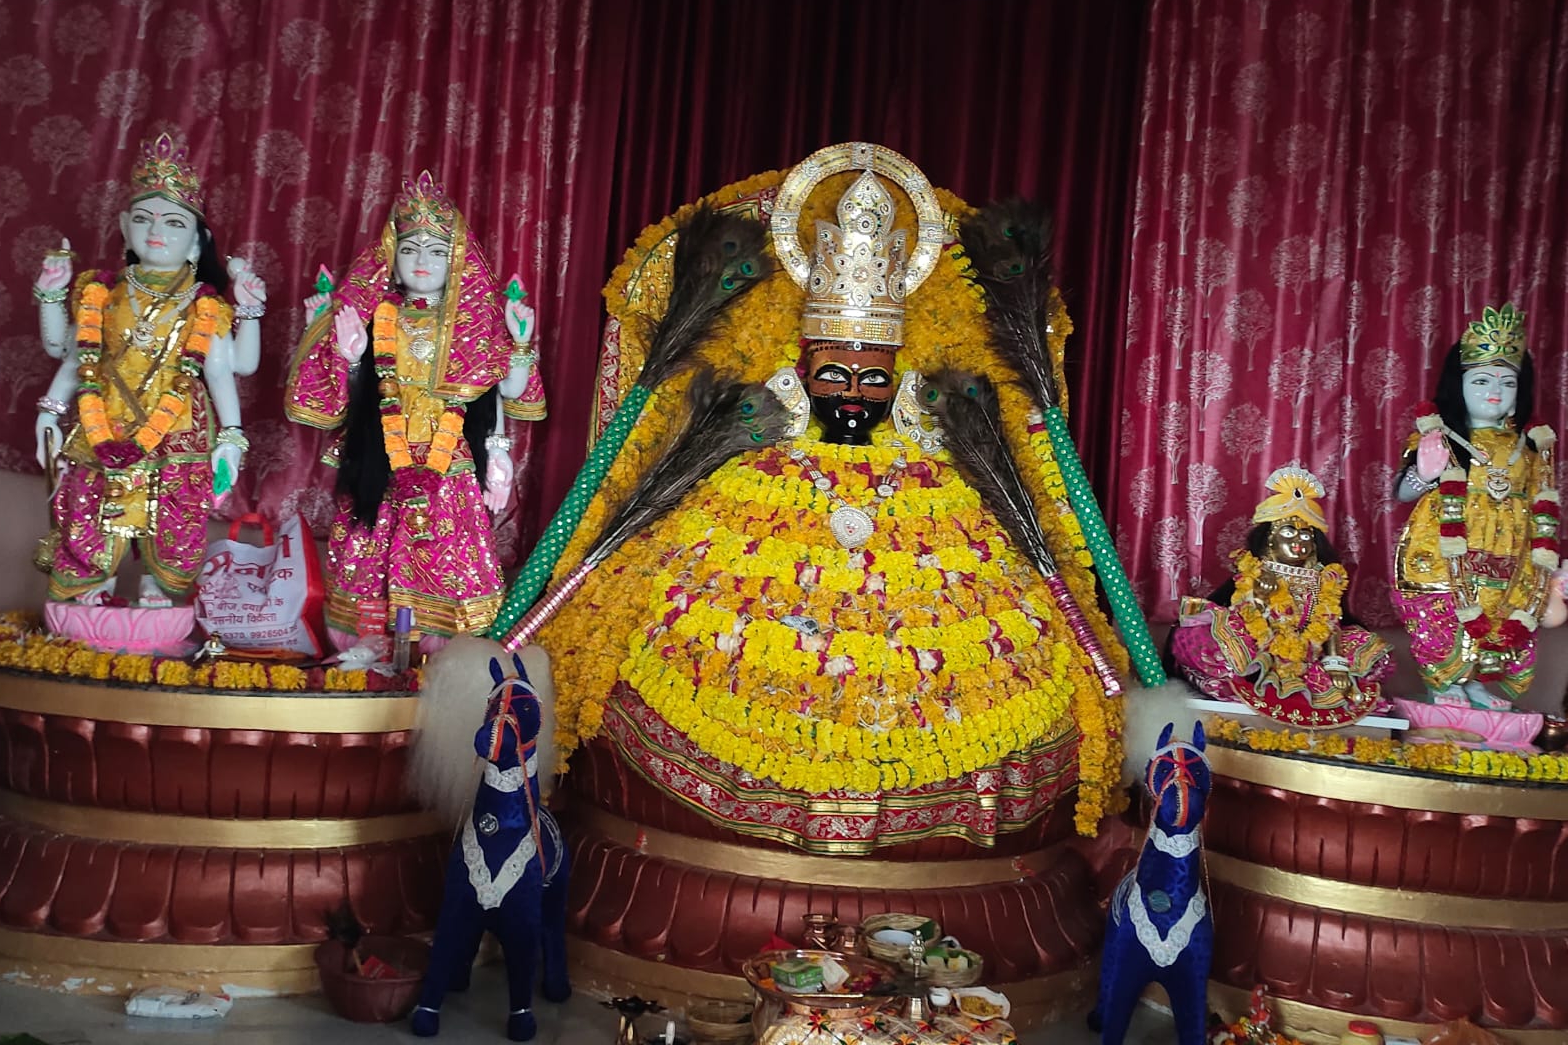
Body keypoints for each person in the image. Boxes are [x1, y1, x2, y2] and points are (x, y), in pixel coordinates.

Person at [535, 144, 1125, 851]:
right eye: (834, 377)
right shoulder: (744, 459)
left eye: (872, 381)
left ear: (899, 382)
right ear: (802, 371)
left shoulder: (940, 470)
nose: (850, 397)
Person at [286, 171, 538, 642]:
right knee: (368, 548)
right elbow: (353, 400)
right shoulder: (380, 316)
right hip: (381, 455)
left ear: (457, 260)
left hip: (449, 462)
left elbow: (504, 389)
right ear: (390, 260)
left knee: (447, 556)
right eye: (409, 249)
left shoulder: (470, 321)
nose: (421, 260)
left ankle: (437, 650)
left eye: (437, 251)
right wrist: (350, 357)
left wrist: (520, 348)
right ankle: (369, 647)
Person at [31, 133, 264, 606]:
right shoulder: (103, 293)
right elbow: (70, 354)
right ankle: (93, 587)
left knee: (173, 513)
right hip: (103, 421)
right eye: (143, 218)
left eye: (175, 223)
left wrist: (233, 438)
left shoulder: (204, 305)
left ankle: (158, 590)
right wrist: (50, 411)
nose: (157, 231)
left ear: (198, 244)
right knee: (91, 504)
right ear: (124, 226)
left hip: (176, 429)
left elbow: (224, 371)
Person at [1392, 304, 1562, 709]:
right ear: (1460, 385)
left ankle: (1479, 683)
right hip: (1445, 553)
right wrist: (1424, 472)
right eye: (1482, 379)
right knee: (1449, 612)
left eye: (1507, 383)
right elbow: (1403, 493)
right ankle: (1445, 682)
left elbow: (1544, 510)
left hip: (1508, 556)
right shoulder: (1442, 437)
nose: (1495, 391)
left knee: (1500, 613)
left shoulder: (1531, 447)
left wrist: (1548, 566)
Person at [1173, 467, 1392, 727]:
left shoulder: (1325, 580)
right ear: (1269, 542)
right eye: (1288, 532)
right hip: (1258, 647)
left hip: (1312, 656)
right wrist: (1261, 594)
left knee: (1376, 654)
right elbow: (1245, 612)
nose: (1298, 540)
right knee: (1200, 641)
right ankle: (1256, 682)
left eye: (1305, 535)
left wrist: (1335, 664)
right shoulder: (1252, 571)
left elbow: (1331, 622)